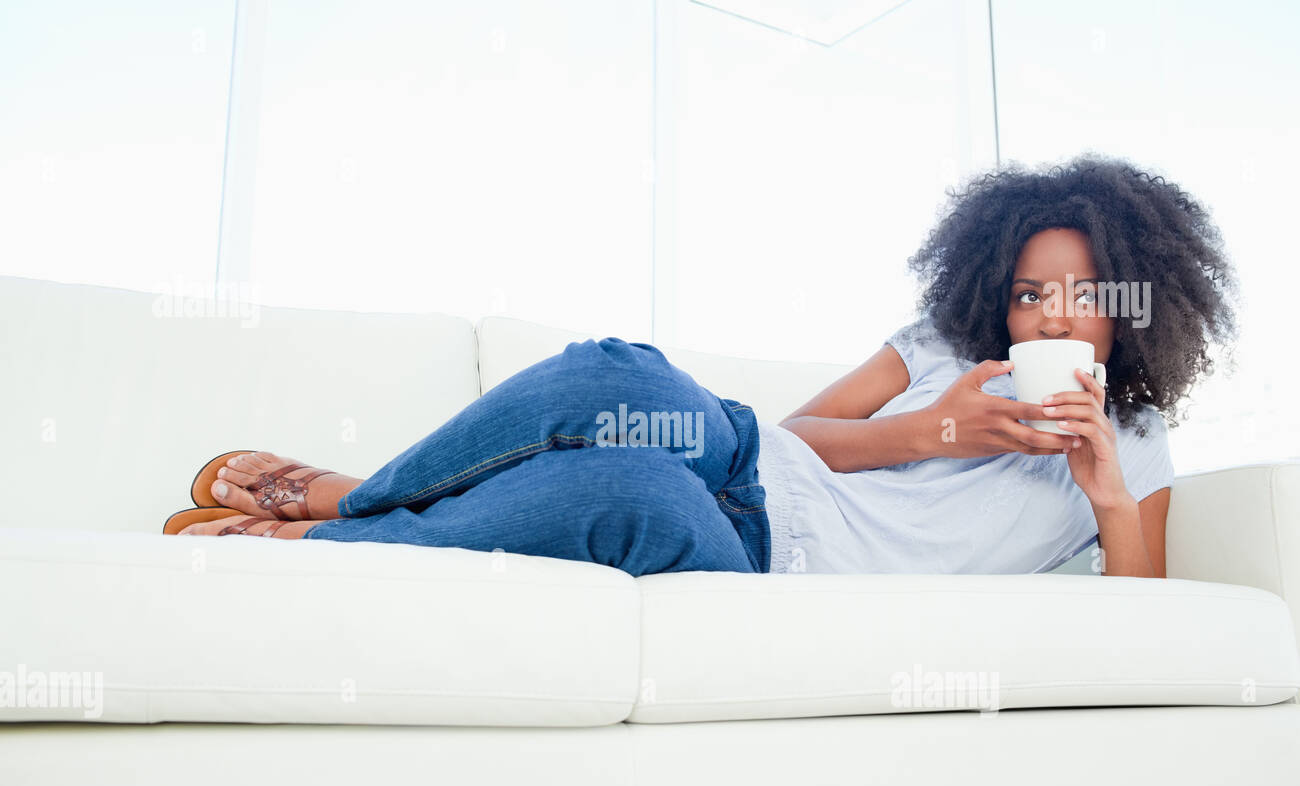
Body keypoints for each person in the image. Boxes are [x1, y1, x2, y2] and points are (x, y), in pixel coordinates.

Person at [173, 153, 1238, 578]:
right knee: (614, 372)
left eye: (1083, 295)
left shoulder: (1135, 449)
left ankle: (310, 541)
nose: (1049, 314)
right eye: (1027, 293)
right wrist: (934, 428)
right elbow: (797, 434)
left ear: (1135, 306)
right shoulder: (939, 350)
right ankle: (357, 493)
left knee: (625, 490)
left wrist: (1098, 485)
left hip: (764, 560)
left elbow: (1135, 614)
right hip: (751, 460)